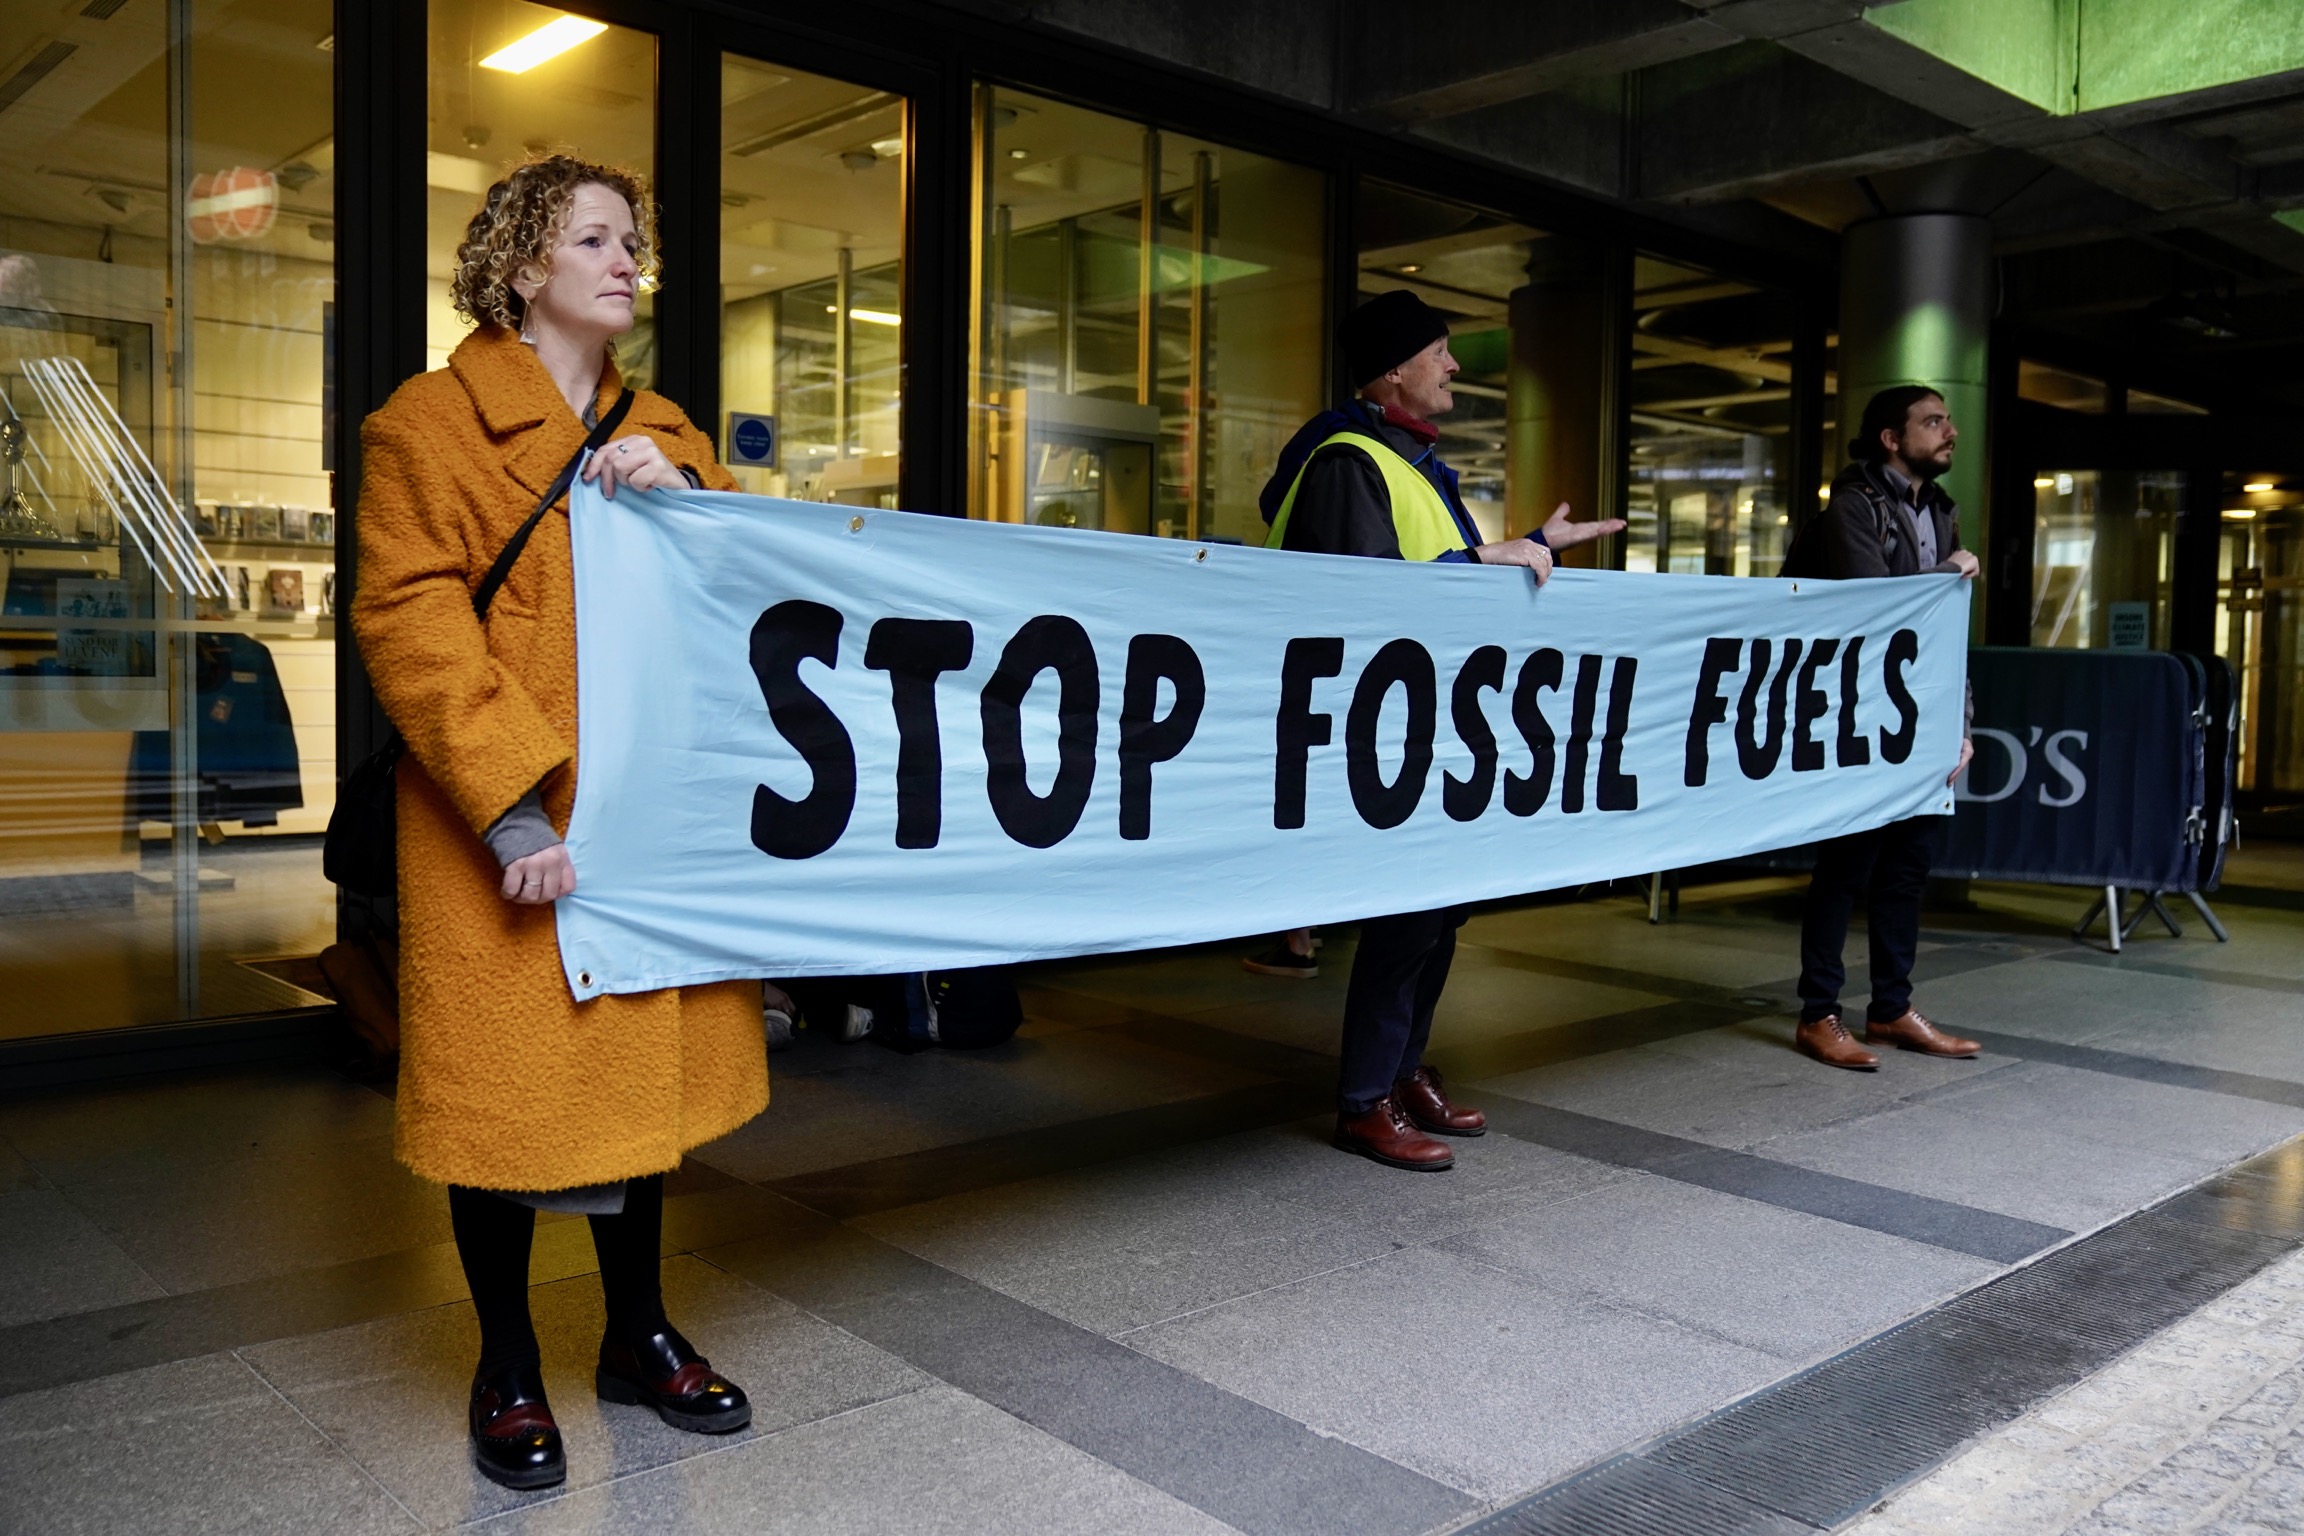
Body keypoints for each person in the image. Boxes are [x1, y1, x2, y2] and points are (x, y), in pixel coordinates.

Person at [353, 156, 764, 1491]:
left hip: (643, 816)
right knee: (506, 1098)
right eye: (593, 239)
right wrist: (514, 811)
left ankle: (638, 1334)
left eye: (631, 240)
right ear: (523, 267)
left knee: (633, 1079)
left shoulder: (670, 427)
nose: (626, 260)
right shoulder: (426, 425)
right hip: (505, 824)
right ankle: (509, 1362)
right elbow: (409, 624)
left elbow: (752, 590)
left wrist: (689, 500)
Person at [1262, 289, 1624, 1169]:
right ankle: (1365, 1100)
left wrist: (1532, 544)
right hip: (1377, 739)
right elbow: (1366, 600)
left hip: (1423, 733)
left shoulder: (1407, 461)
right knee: (1407, 917)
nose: (1455, 365)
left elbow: (1433, 572)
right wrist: (1484, 557)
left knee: (1436, 913)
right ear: (1394, 369)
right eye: (1440, 351)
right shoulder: (1349, 461)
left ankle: (1399, 1073)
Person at [1784, 383, 1980, 1070]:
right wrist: (1947, 574)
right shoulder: (1855, 505)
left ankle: (1892, 1009)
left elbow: (1945, 633)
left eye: (1948, 420)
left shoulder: (1941, 512)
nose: (1949, 431)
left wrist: (1960, 722)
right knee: (1846, 866)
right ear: (1892, 439)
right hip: (1859, 715)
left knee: (1906, 868)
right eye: (1933, 421)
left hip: (1920, 718)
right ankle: (1819, 1014)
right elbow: (1875, 608)